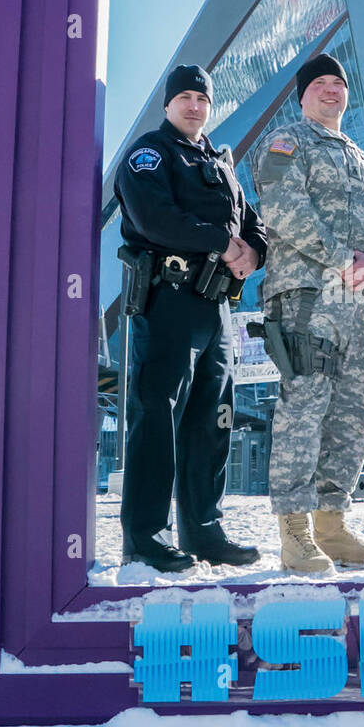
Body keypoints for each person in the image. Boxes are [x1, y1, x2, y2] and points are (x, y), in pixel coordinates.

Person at [114, 63, 267, 571]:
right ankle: (147, 536)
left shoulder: (220, 161)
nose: (194, 106)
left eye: (202, 99)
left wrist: (256, 252)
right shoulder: (149, 154)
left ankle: (203, 531)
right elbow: (154, 218)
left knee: (211, 421)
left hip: (217, 307)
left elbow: (251, 221)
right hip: (169, 301)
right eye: (184, 98)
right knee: (157, 416)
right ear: (168, 104)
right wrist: (223, 242)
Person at [250, 52, 364, 574]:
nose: (332, 91)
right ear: (304, 95)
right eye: (321, 85)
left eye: (339, 83)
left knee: (352, 417)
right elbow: (283, 209)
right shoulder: (288, 140)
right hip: (307, 294)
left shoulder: (360, 158)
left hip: (354, 305)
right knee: (305, 410)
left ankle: (332, 528)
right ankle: (295, 534)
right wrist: (343, 259)